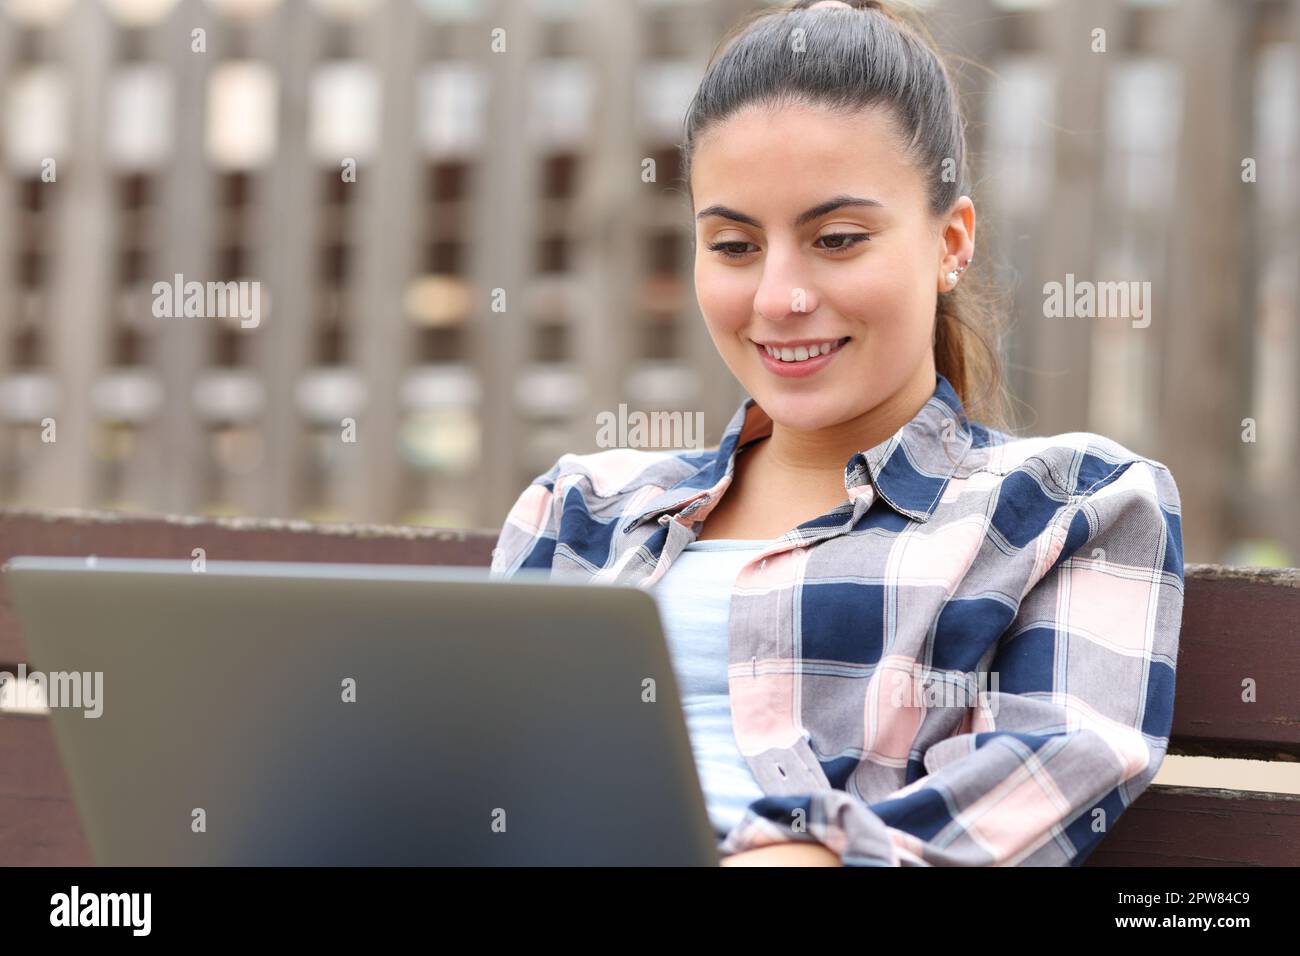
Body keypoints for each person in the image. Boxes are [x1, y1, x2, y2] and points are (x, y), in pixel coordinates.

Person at [491, 0, 1184, 867]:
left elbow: (1044, 773)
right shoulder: (578, 510)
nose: (779, 297)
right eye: (735, 246)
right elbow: (473, 781)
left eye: (838, 238)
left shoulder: (1067, 506)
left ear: (950, 242)